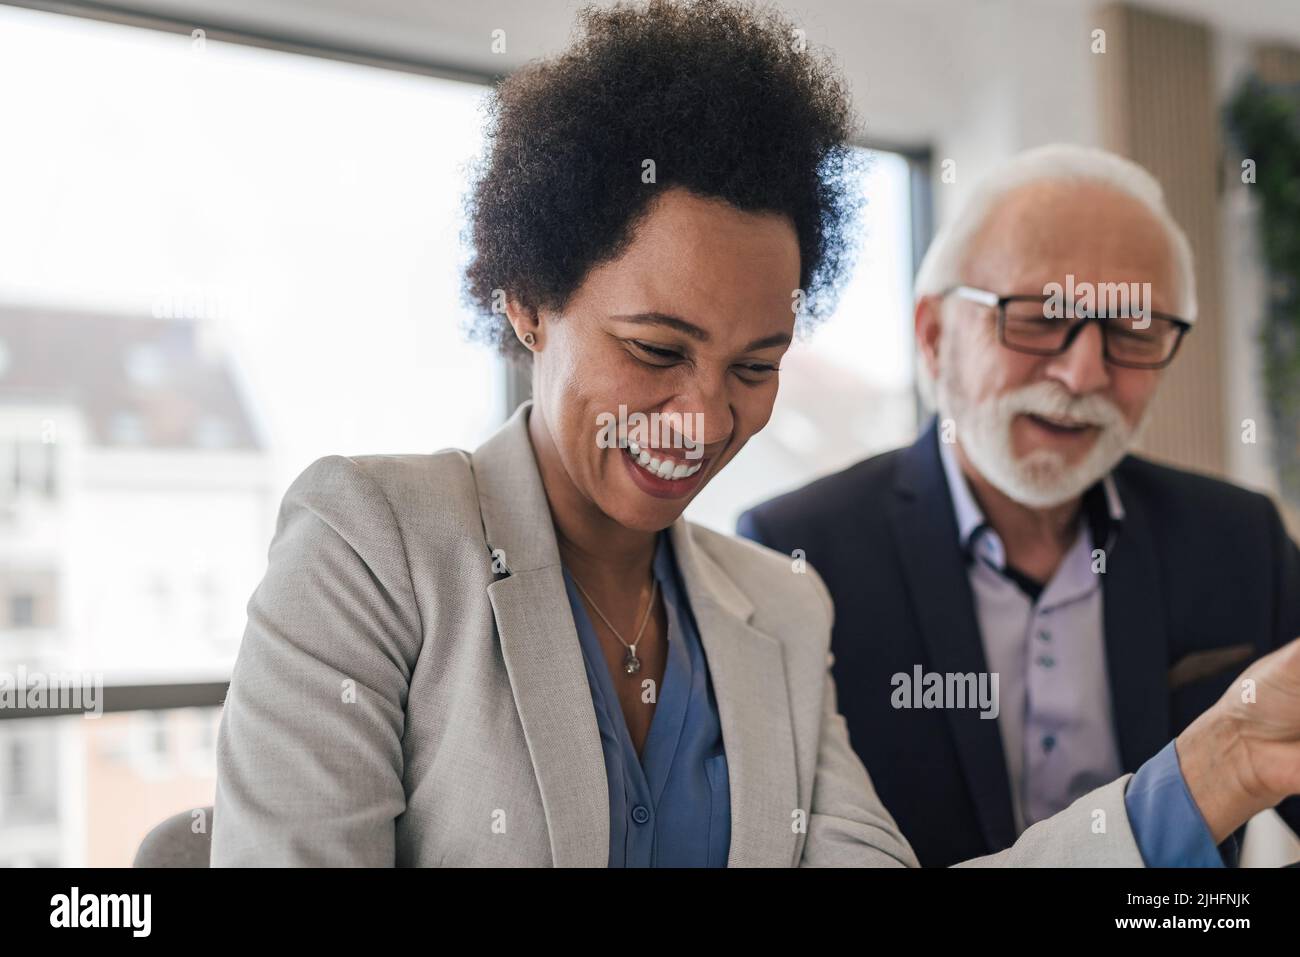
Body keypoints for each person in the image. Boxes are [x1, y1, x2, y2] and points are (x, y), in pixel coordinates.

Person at [213, 3, 1300, 867]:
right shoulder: (372, 542)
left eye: (754, 368)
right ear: (531, 302)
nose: (701, 418)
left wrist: (1224, 759)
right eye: (653, 349)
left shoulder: (777, 608)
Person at [739, 143, 1300, 866]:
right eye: (1039, 317)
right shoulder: (795, 553)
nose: (1083, 371)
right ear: (935, 336)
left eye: (1132, 329)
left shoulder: (1237, 540)